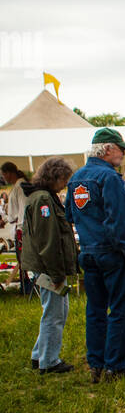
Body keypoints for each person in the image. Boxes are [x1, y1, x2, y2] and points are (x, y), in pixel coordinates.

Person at [66, 128, 125, 382]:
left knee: (95, 309)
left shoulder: (75, 179)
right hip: (112, 254)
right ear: (108, 149)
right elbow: (119, 222)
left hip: (88, 252)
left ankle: (95, 365)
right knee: (121, 310)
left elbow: (70, 216)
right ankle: (115, 367)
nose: (123, 153)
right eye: (121, 148)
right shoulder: (109, 178)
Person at [21, 157, 78, 374]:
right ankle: (49, 361)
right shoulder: (43, 200)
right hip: (47, 268)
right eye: (63, 178)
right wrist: (56, 273)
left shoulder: (43, 197)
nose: (65, 183)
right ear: (54, 177)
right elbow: (48, 240)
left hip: (44, 266)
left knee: (56, 311)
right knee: (54, 315)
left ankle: (39, 355)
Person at [1, 161, 35, 295]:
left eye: (3, 175)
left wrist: (4, 220)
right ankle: (30, 285)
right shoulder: (24, 185)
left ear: (8, 173)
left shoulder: (17, 188)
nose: (4, 178)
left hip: (22, 227)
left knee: (23, 260)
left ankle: (27, 287)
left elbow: (12, 216)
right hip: (30, 225)